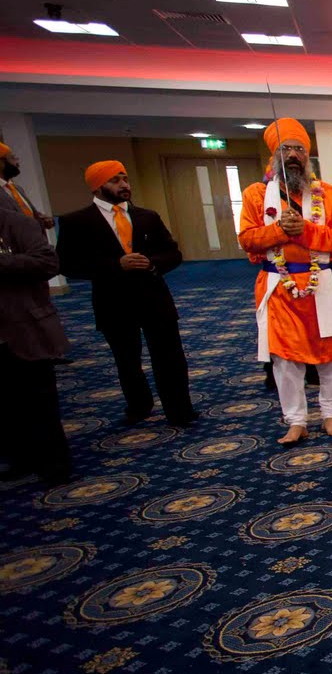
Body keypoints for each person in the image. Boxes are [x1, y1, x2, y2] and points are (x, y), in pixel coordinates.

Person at [238, 119, 332, 445]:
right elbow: (247, 240)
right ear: (275, 155)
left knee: (331, 354)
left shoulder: (329, 194)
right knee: (285, 358)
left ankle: (330, 414)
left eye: (299, 149)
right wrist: (278, 231)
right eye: (286, 149)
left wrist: (306, 231)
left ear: (307, 156)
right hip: (279, 286)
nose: (293, 155)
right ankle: (296, 421)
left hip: (322, 282)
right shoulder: (257, 195)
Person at [56, 161, 196, 427]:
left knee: (170, 357)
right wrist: (115, 265)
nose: (124, 185)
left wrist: (153, 263)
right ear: (97, 186)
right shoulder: (76, 221)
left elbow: (173, 253)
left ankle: (180, 410)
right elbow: (67, 264)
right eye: (115, 180)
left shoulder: (147, 216)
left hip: (154, 297)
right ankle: (139, 405)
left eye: (125, 179)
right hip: (113, 301)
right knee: (127, 359)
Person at [0, 202, 71, 484]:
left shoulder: (17, 224)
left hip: (24, 328)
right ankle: (21, 458)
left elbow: (48, 263)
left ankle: (55, 464)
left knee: (38, 401)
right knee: (6, 405)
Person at [0, 143, 54, 231]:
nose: (17, 163)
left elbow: (25, 215)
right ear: (1, 163)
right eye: (13, 158)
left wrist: (43, 220)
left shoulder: (17, 188)